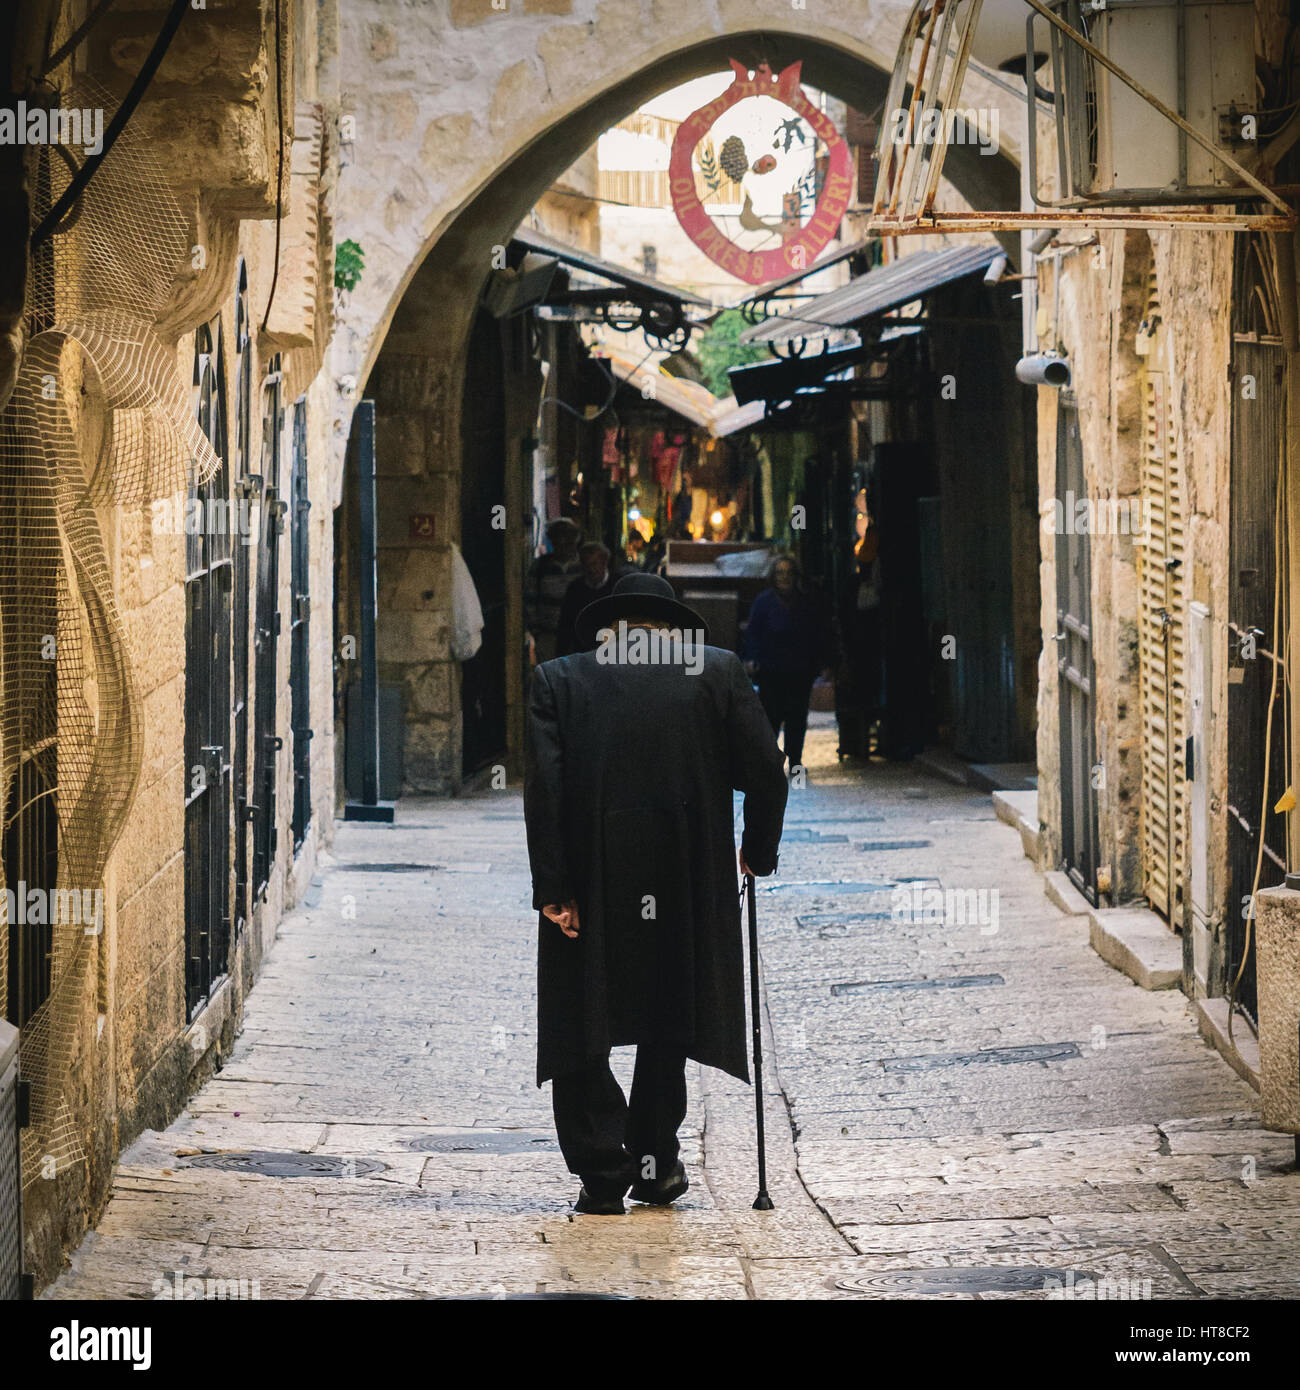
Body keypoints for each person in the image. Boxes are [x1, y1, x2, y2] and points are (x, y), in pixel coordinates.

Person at [524, 573, 788, 1215]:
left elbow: (544, 794)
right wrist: (757, 851)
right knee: (670, 1011)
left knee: (582, 1013)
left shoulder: (558, 681)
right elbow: (769, 777)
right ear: (672, 631)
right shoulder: (719, 673)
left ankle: (602, 1171)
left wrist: (555, 889)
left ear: (610, 631)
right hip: (686, 878)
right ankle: (656, 1161)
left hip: (591, 877)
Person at [742, 554, 832, 774]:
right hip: (771, 670)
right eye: (780, 573)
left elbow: (816, 634)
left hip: (799, 670)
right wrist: (751, 659)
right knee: (770, 717)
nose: (784, 577)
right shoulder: (764, 602)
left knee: (797, 717)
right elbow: (753, 633)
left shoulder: (805, 602)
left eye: (788, 572)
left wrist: (823, 662)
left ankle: (795, 760)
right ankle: (770, 762)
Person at [524, 517, 582, 665]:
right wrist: (537, 632)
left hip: (578, 636)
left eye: (567, 537)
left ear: (575, 539)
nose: (562, 542)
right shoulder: (540, 567)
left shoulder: (583, 566)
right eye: (558, 537)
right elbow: (530, 601)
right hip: (549, 636)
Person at [555, 542, 614, 656]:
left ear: (604, 562)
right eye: (586, 565)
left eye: (594, 564)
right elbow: (566, 624)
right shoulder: (575, 589)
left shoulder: (617, 585)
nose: (591, 569)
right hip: (584, 652)